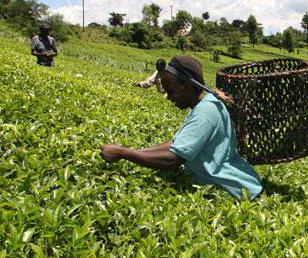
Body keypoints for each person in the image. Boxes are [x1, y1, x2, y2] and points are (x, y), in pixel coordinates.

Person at [100, 56, 263, 200]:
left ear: (188, 85)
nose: (169, 98)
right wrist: (134, 151)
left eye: (172, 91)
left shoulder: (204, 114)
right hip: (235, 183)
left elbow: (173, 160)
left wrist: (124, 153)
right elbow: (176, 143)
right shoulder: (206, 105)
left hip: (232, 190)